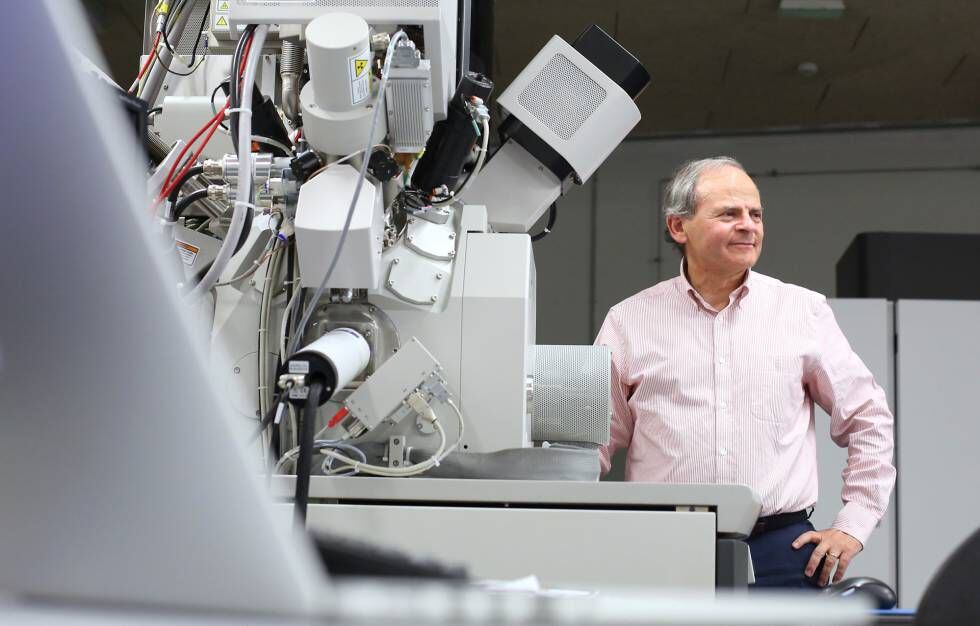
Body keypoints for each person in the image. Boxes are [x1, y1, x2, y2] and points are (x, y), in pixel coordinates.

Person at [595, 157, 895, 589]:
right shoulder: (629, 321)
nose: (748, 225)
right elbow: (590, 446)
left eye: (755, 214)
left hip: (782, 554)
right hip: (661, 546)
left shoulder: (801, 311)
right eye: (728, 214)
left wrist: (854, 524)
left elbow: (869, 417)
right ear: (679, 227)